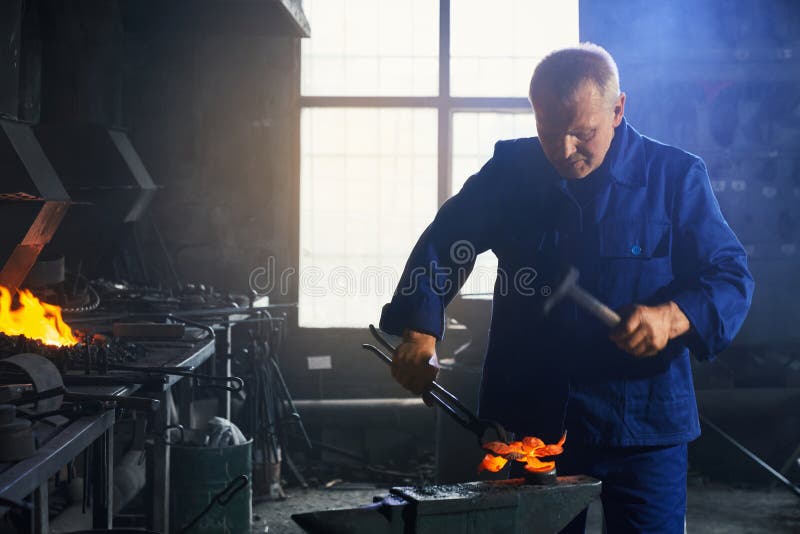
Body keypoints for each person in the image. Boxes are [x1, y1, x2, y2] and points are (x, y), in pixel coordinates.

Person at [379, 43, 754, 533]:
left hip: (643, 422)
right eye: (548, 132)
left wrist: (673, 316)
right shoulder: (512, 171)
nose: (564, 150)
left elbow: (730, 276)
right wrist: (420, 331)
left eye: (583, 133)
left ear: (619, 109)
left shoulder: (675, 177)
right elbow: (447, 242)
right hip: (534, 421)